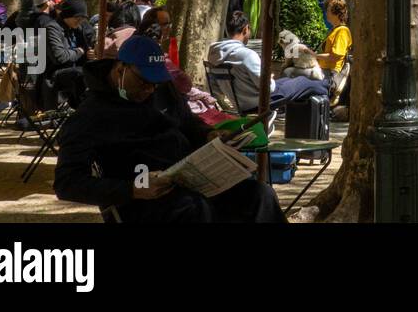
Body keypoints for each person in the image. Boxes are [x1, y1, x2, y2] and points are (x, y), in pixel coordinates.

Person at [53, 35, 284, 222]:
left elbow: (187, 122)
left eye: (155, 83)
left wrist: (208, 134)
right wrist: (132, 189)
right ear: (120, 69)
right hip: (141, 198)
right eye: (143, 82)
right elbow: (67, 183)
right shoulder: (89, 116)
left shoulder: (163, 90)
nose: (150, 90)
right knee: (195, 209)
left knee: (259, 195)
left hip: (192, 180)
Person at [207, 11, 326, 112]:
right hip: (259, 101)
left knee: (287, 80)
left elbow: (216, 89)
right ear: (245, 29)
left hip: (241, 101)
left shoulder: (215, 54)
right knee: (302, 81)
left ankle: (327, 86)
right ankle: (329, 87)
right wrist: (269, 77)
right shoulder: (246, 55)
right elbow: (269, 88)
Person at [315, 0, 351, 84]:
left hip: (330, 74)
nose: (326, 14)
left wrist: (314, 55)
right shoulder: (334, 30)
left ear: (337, 14)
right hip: (322, 71)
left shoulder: (342, 31)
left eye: (328, 11)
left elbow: (335, 57)